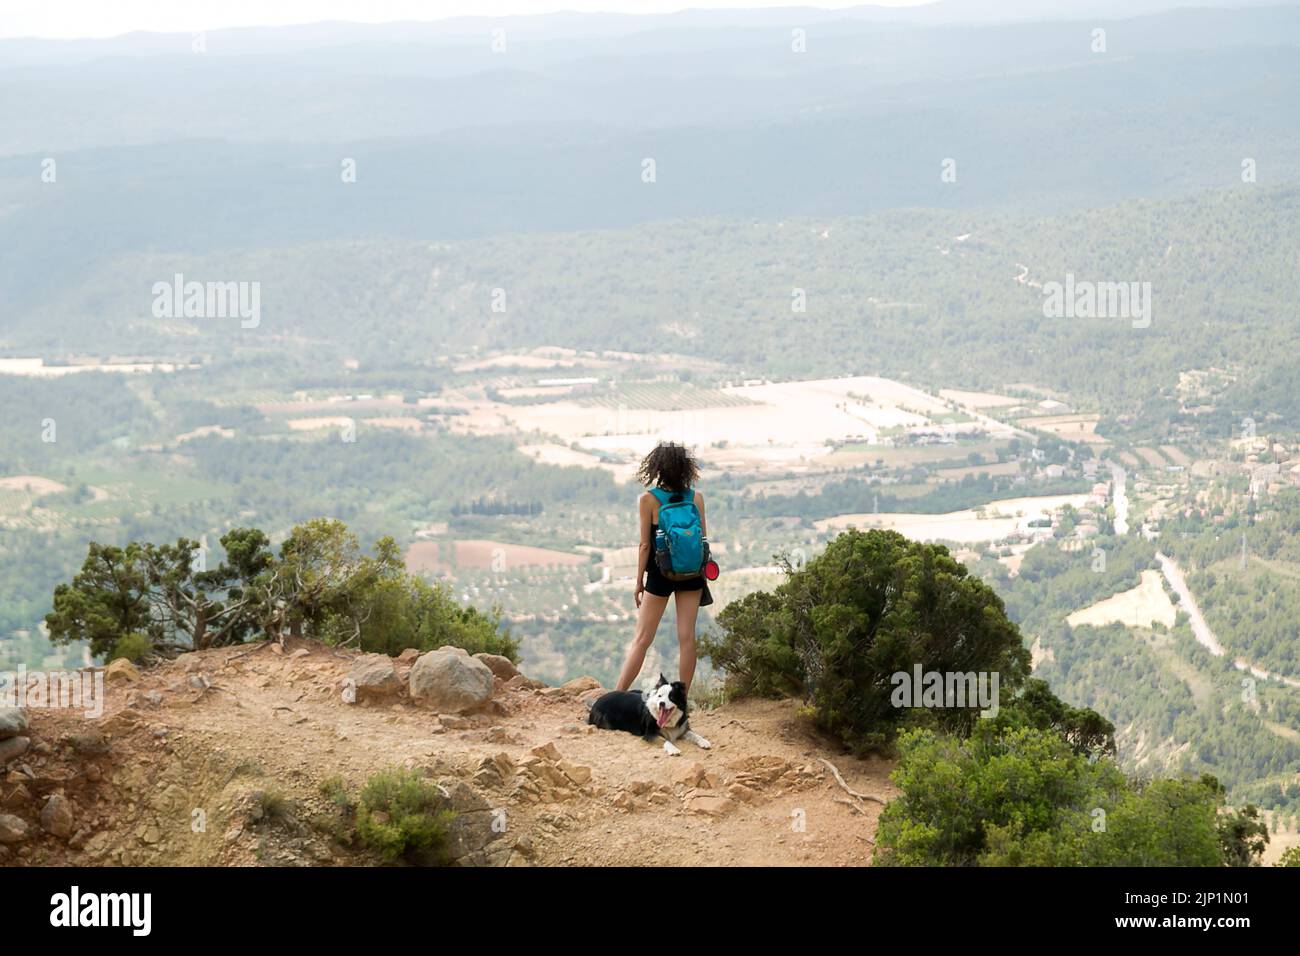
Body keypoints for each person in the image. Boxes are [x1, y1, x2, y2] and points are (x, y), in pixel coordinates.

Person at [615, 441, 711, 692]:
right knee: (687, 638)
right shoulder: (696, 498)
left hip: (660, 573)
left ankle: (615, 697)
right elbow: (703, 541)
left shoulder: (648, 500)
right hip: (692, 574)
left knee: (642, 640)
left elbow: (645, 546)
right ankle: (682, 703)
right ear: (685, 469)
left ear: (657, 468)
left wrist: (639, 582)